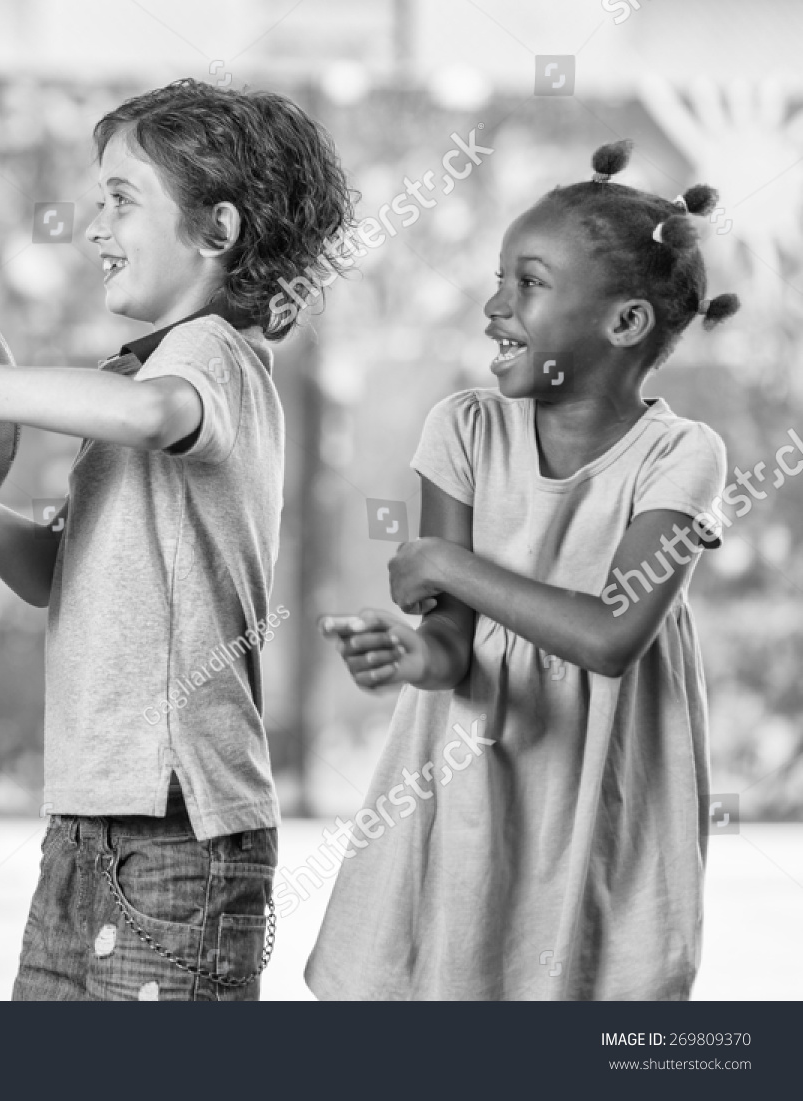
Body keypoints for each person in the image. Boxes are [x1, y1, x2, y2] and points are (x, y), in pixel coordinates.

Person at [0, 79, 354, 999]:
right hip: (93, 822)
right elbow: (52, 573)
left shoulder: (211, 353)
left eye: (122, 200)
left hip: (180, 830)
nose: (95, 227)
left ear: (219, 231)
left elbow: (146, 413)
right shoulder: (141, 371)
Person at [310, 139, 740, 999]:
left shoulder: (682, 455)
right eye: (499, 277)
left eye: (529, 283)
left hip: (601, 804)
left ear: (625, 324)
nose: (493, 304)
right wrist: (410, 655)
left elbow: (611, 634)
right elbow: (450, 645)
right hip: (470, 787)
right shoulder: (464, 429)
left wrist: (447, 564)